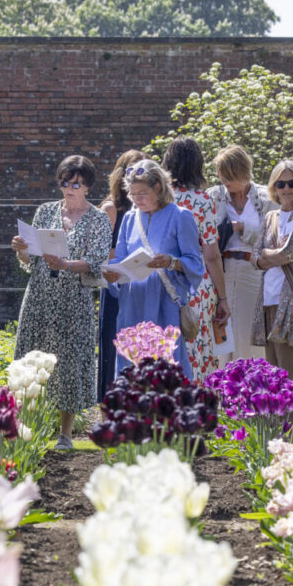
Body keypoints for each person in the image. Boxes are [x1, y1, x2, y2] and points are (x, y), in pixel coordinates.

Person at [11, 155, 113, 447]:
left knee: (68, 362)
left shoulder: (97, 219)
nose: (69, 188)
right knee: (31, 357)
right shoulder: (45, 211)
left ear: (87, 186)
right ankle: (28, 428)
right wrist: (21, 249)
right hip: (41, 295)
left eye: (75, 183)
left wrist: (66, 264)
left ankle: (65, 434)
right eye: (64, 182)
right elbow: (30, 257)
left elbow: (97, 262)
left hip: (73, 299)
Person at [100, 160, 204, 376]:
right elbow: (119, 258)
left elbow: (195, 263)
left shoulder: (180, 216)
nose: (137, 199)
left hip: (164, 304)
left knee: (166, 367)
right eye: (133, 193)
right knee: (131, 366)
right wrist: (112, 274)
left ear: (158, 187)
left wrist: (171, 262)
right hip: (132, 304)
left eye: (142, 193)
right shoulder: (129, 219)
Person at [255, 159, 293, 417]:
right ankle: (274, 426)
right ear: (273, 187)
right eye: (280, 183)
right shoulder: (270, 217)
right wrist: (269, 256)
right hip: (269, 298)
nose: (285, 188)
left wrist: (267, 256)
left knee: (291, 368)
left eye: (291, 183)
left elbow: (289, 253)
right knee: (272, 367)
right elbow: (255, 257)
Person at [161, 137, 227, 380]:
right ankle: (197, 406)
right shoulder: (202, 200)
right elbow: (211, 255)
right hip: (195, 283)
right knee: (196, 343)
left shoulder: (158, 200)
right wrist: (223, 298)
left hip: (162, 279)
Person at [207, 145, 276, 363]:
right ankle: (219, 392)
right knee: (219, 334)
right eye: (222, 176)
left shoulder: (266, 198)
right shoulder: (214, 196)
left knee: (248, 334)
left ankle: (249, 389)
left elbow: (273, 238)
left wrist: (243, 228)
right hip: (220, 269)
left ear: (242, 172)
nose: (226, 182)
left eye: (230, 176)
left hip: (253, 271)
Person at [98, 149, 143, 398]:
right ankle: (111, 408)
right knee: (114, 348)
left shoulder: (148, 209)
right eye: (132, 170)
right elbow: (102, 253)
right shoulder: (111, 208)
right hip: (116, 285)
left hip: (139, 286)